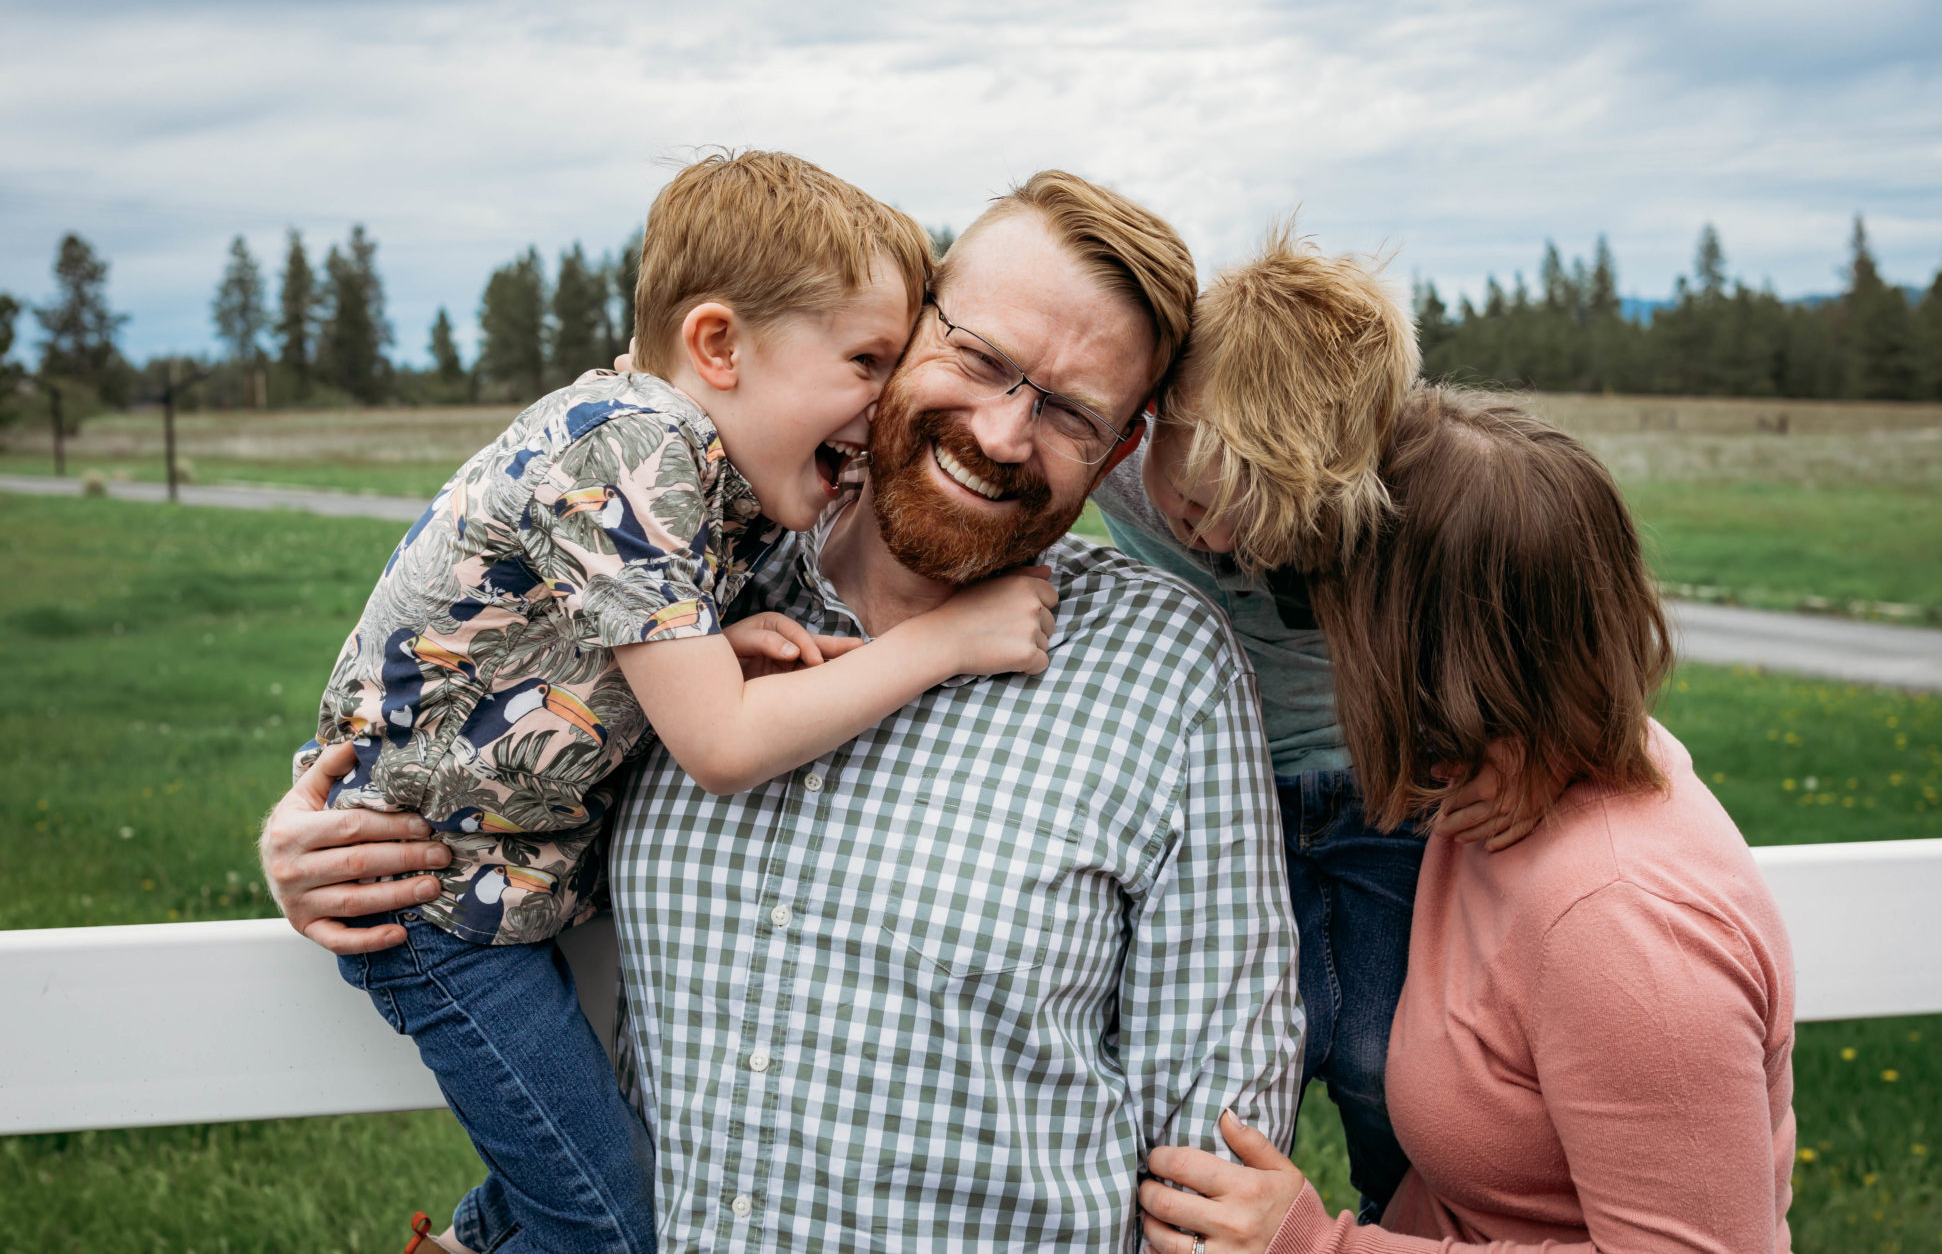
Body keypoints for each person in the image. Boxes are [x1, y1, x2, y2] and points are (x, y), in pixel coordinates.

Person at [265, 170, 1307, 1251]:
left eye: (1067, 411)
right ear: (902, 340)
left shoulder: (1164, 665)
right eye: (981, 362)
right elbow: (468, 692)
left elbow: (1218, 1111)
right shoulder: (705, 576)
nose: (1002, 434)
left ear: (1120, 448)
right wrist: (326, 832)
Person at [1134, 386, 1797, 1254]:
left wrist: (1319, 1247)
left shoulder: (1625, 926)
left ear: (1414, 644)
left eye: (1334, 598)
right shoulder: (1515, 771)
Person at [1090, 229, 1533, 1215]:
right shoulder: (1117, 457)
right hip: (1221, 797)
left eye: (1253, 522)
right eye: (1196, 504)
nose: (1209, 538)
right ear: (1157, 412)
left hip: (1386, 793)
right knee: (1223, 1074)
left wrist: (1512, 743)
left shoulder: (1410, 499)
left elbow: (1510, 625)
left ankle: (1407, 1222)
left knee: (1391, 1065)